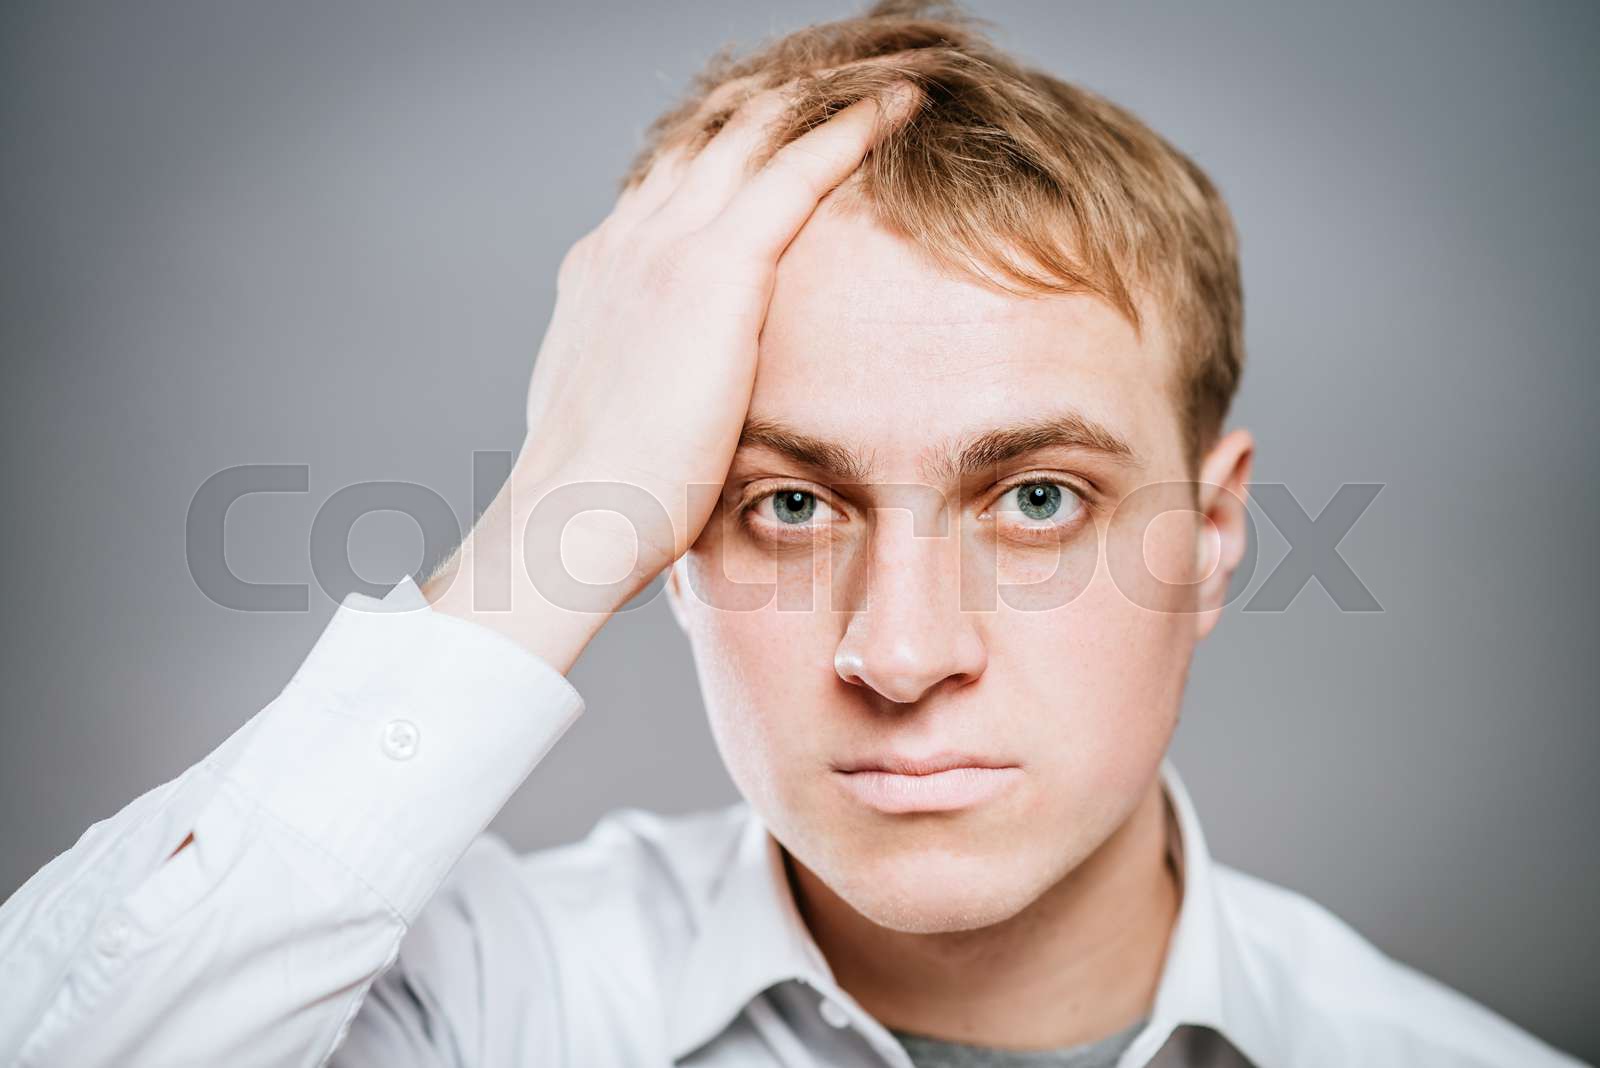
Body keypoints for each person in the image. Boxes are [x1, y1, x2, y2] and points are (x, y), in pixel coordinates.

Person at [0, 2, 1584, 1066]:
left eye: (1037, 499)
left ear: (1217, 533)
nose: (902, 653)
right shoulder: (477, 1010)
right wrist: (565, 499)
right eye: (788, 503)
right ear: (671, 539)